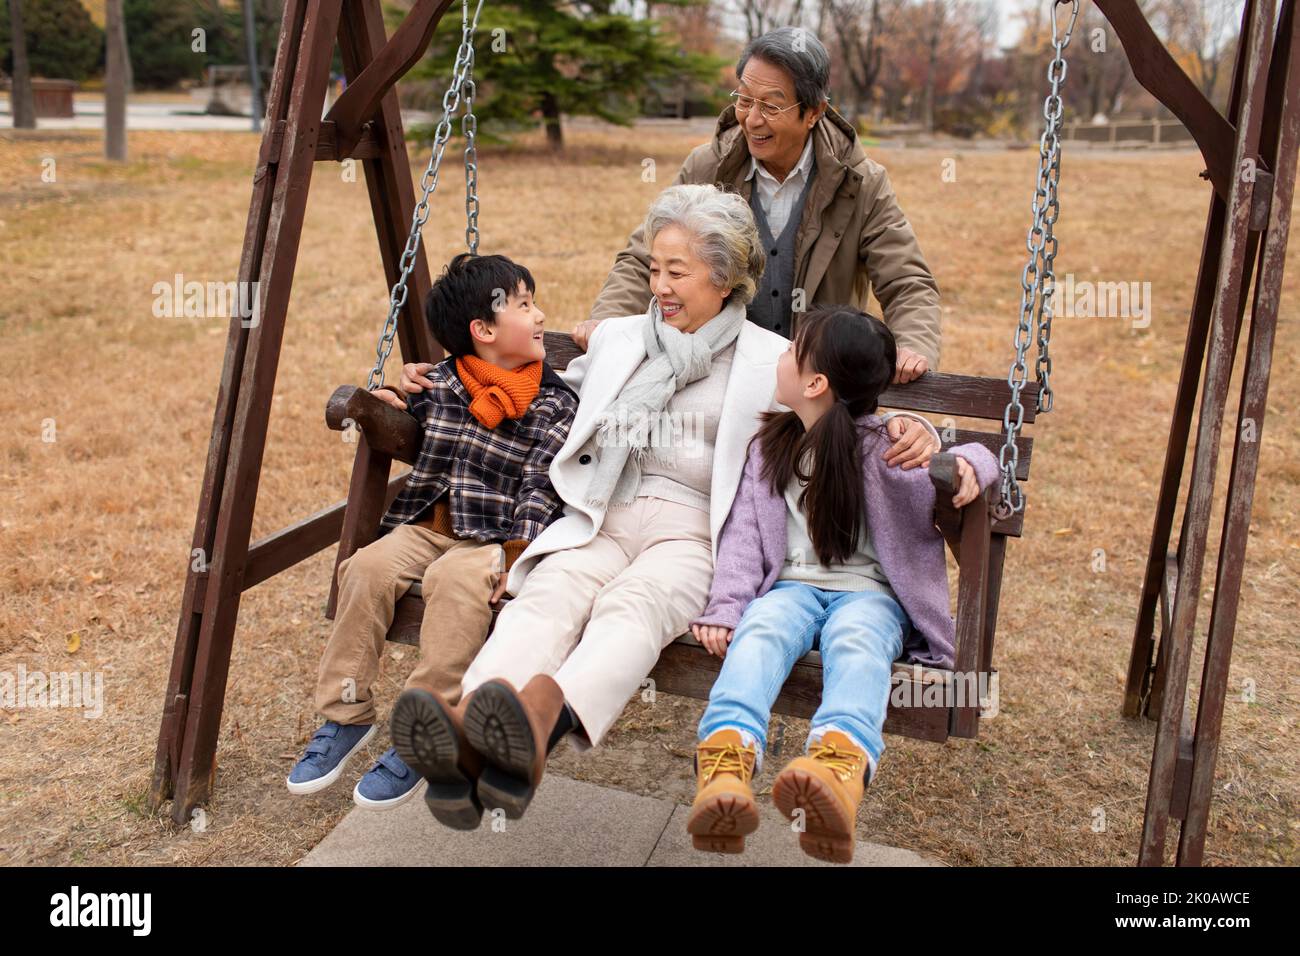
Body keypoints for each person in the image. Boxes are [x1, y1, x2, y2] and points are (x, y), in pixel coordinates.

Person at [386, 184, 942, 831]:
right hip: (603, 512)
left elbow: (839, 413)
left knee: (634, 609)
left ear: (725, 275)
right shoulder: (620, 340)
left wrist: (919, 431)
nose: (659, 286)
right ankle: (471, 730)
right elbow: (531, 396)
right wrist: (438, 383)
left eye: (676, 271)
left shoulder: (770, 360)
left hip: (691, 532)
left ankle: (536, 725)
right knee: (550, 594)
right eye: (653, 269)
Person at [686, 305, 999, 864]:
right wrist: (728, 605)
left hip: (871, 597)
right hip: (789, 591)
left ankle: (838, 769)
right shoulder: (772, 446)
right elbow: (741, 538)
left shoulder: (891, 448)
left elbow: (973, 459)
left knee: (858, 641)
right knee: (760, 630)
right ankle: (725, 764)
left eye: (791, 350)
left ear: (815, 382)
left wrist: (970, 464)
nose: (780, 355)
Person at [286, 253, 577, 810]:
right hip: (429, 522)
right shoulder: (441, 383)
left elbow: (543, 485)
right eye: (525, 305)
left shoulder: (555, 403)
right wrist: (394, 400)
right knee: (365, 567)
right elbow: (407, 420)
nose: (540, 316)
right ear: (483, 331)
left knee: (453, 584)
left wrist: (518, 554)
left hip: (493, 538)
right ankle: (345, 715)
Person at [575, 27, 941, 384]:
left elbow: (906, 280)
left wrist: (912, 344)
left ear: (813, 112)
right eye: (745, 99)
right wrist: (606, 321)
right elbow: (644, 258)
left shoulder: (859, 182)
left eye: (771, 105)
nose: (752, 119)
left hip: (819, 383)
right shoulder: (708, 167)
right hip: (718, 374)